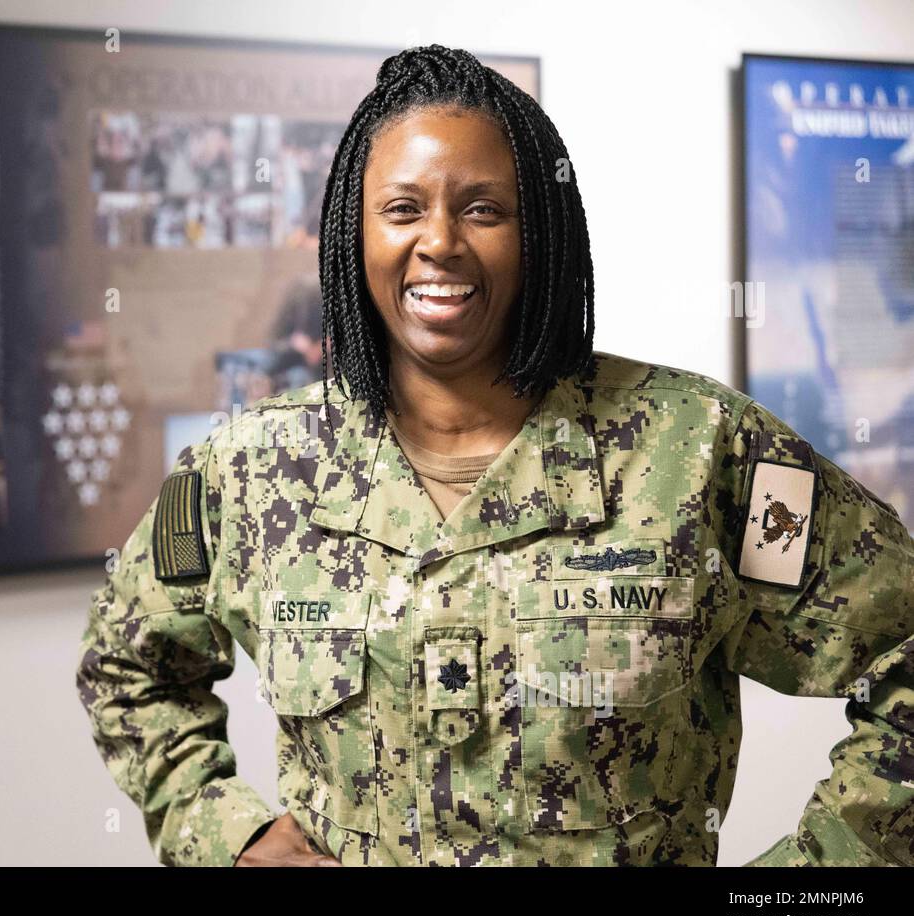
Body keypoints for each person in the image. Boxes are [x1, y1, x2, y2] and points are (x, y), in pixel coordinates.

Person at [75, 46, 914, 867]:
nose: (439, 242)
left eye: (483, 209)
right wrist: (226, 833)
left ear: (539, 233)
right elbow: (127, 666)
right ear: (350, 233)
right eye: (401, 209)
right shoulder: (253, 470)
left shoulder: (697, 451)